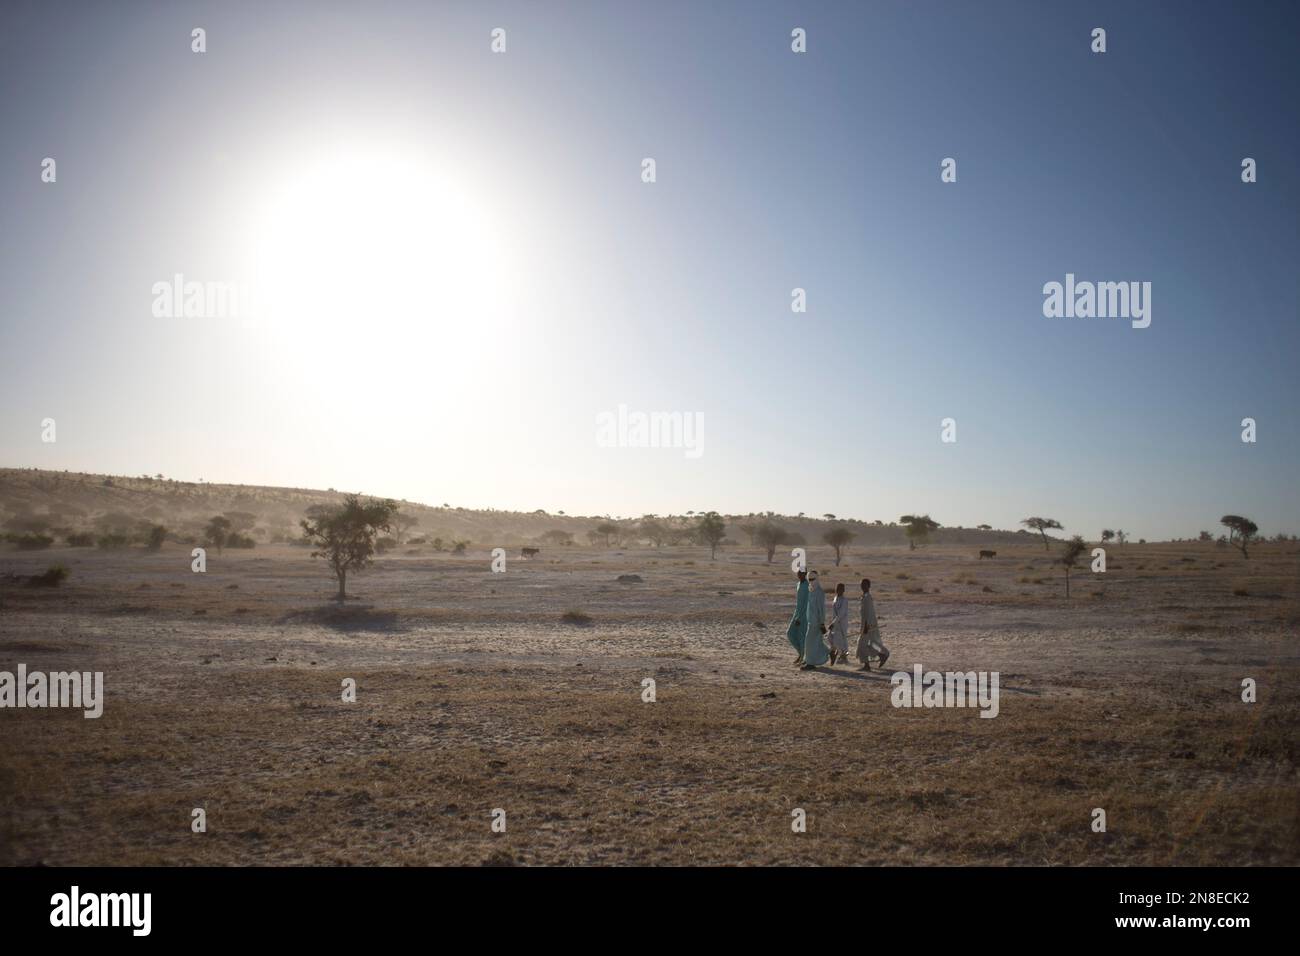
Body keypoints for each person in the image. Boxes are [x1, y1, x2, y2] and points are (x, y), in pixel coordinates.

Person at [856, 577, 889, 671]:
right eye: (861, 585)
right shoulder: (864, 597)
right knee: (867, 644)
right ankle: (881, 655)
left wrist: (866, 626)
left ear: (869, 586)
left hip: (868, 626)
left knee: (861, 644)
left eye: (864, 585)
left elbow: (869, 613)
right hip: (865, 625)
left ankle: (867, 665)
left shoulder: (867, 598)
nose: (862, 586)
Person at [801, 570, 829, 669]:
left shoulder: (819, 592)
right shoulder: (811, 590)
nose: (811, 581)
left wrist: (822, 623)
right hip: (810, 621)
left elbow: (821, 609)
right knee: (814, 642)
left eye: (813, 579)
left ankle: (810, 663)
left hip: (816, 622)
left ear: (817, 579)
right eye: (809, 579)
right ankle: (828, 653)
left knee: (810, 642)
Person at [786, 569, 809, 665]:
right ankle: (800, 653)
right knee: (790, 633)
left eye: (802, 573)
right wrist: (797, 615)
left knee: (801, 636)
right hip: (797, 613)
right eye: (799, 573)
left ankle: (803, 658)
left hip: (804, 615)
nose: (799, 574)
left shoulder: (808, 586)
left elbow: (806, 603)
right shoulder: (798, 584)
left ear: (805, 574)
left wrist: (800, 617)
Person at [829, 582, 850, 664]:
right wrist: (833, 622)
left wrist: (833, 623)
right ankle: (841, 655)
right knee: (830, 638)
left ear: (843, 590)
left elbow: (841, 614)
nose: (839, 590)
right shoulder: (835, 598)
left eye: (841, 589)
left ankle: (843, 657)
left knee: (840, 640)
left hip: (841, 624)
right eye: (837, 588)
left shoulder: (844, 600)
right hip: (835, 624)